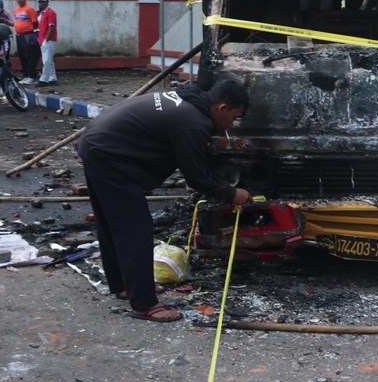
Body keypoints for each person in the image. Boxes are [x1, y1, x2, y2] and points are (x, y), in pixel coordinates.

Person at [77, 80, 253, 322]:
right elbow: (197, 177)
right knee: (136, 230)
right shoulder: (192, 123)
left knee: (112, 223)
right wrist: (232, 193)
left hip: (96, 144)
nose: (230, 126)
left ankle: (124, 285)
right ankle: (145, 304)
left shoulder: (188, 101)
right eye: (233, 118)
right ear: (222, 108)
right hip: (109, 156)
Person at [12, 0, 40, 85]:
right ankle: (26, 75)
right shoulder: (16, 10)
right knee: (22, 56)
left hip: (28, 35)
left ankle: (32, 76)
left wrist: (29, 30)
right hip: (19, 36)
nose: (19, 0)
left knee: (30, 56)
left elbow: (35, 23)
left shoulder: (29, 9)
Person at [36, 0, 58, 86]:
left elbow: (51, 27)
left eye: (42, 1)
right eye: (39, 2)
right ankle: (52, 78)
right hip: (43, 39)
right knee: (49, 60)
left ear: (47, 2)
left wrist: (46, 39)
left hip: (48, 39)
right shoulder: (42, 13)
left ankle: (44, 79)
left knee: (46, 60)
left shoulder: (50, 12)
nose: (41, 4)